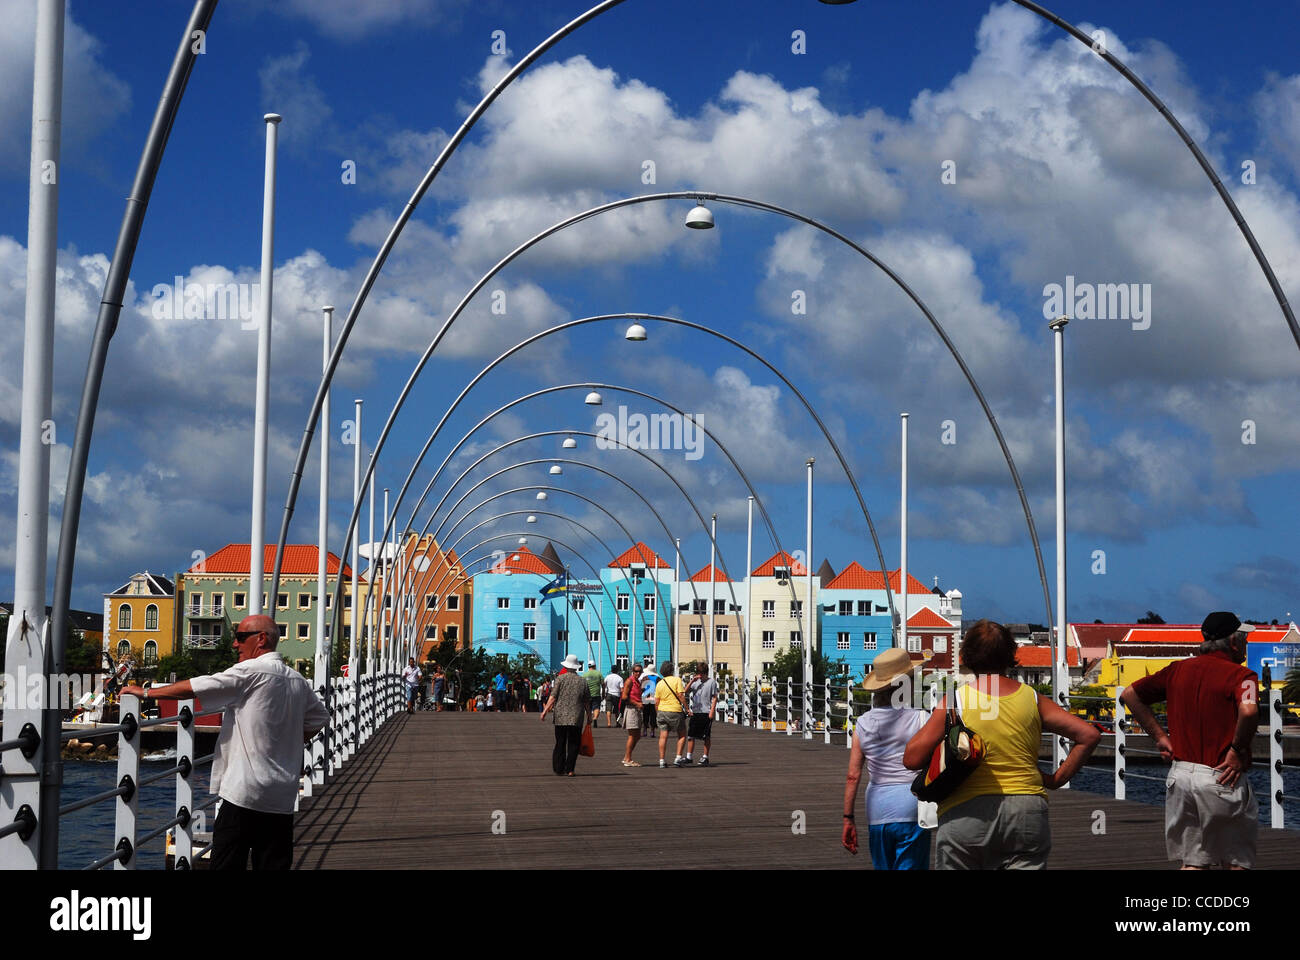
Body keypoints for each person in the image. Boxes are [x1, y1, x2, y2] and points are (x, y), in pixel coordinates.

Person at [122, 614, 327, 870]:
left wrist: (146, 692)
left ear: (261, 639)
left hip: (244, 794)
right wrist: (290, 743)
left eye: (240, 637)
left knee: (226, 864)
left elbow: (197, 686)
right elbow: (319, 717)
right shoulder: (296, 680)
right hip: (281, 797)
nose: (235, 645)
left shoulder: (251, 671)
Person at [903, 619, 1100, 870]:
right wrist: (1056, 779)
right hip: (1026, 810)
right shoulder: (1031, 698)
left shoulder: (957, 701)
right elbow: (1089, 735)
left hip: (966, 812)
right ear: (1011, 655)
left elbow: (911, 759)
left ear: (965, 656)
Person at [1120, 611, 1261, 870]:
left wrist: (1160, 737)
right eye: (1244, 639)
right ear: (1233, 642)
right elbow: (1249, 710)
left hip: (1181, 776)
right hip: (1221, 775)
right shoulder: (1243, 677)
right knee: (1237, 861)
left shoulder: (1177, 670)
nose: (1246, 644)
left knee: (1194, 862)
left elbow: (1130, 695)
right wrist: (1237, 749)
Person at [841, 648, 930, 870]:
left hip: (877, 809)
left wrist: (848, 818)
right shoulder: (921, 718)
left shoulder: (862, 724)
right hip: (913, 806)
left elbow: (853, 776)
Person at [541, 654, 591, 776]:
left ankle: (559, 768)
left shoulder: (560, 679)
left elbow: (553, 697)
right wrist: (589, 715)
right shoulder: (582, 681)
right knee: (574, 744)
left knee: (560, 742)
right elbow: (586, 701)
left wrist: (545, 711)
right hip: (576, 716)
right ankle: (570, 769)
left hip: (560, 717)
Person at [654, 661, 690, 768]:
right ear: (672, 670)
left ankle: (661, 761)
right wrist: (687, 709)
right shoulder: (677, 680)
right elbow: (681, 696)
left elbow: (656, 701)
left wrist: (658, 713)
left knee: (663, 736)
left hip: (662, 711)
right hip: (675, 710)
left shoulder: (659, 683)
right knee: (682, 734)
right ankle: (678, 758)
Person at [684, 664, 718, 766]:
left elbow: (715, 697)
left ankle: (705, 757)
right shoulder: (695, 682)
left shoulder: (712, 682)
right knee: (691, 735)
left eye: (702, 674)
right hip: (695, 711)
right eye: (698, 674)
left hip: (706, 711)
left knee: (706, 736)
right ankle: (689, 756)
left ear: (705, 673)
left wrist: (712, 710)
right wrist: (692, 681)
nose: (700, 676)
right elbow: (684, 691)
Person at [620, 663, 645, 766]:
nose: (638, 673)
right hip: (631, 709)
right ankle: (628, 759)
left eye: (639, 671)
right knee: (632, 735)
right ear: (632, 671)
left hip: (636, 710)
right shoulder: (629, 681)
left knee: (637, 735)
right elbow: (624, 697)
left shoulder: (637, 682)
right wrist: (637, 703)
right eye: (636, 671)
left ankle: (627, 757)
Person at [640, 664, 660, 738]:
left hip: (645, 698)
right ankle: (652, 731)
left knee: (645, 714)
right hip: (654, 698)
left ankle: (644, 730)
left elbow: (641, 688)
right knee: (653, 715)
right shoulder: (658, 679)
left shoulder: (645, 678)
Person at [583, 661, 604, 725]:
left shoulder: (584, 675)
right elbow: (603, 685)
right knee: (596, 707)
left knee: (588, 708)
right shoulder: (599, 674)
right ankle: (595, 718)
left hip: (587, 695)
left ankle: (589, 719)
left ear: (588, 666)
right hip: (596, 694)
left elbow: (583, 685)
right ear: (594, 666)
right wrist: (603, 693)